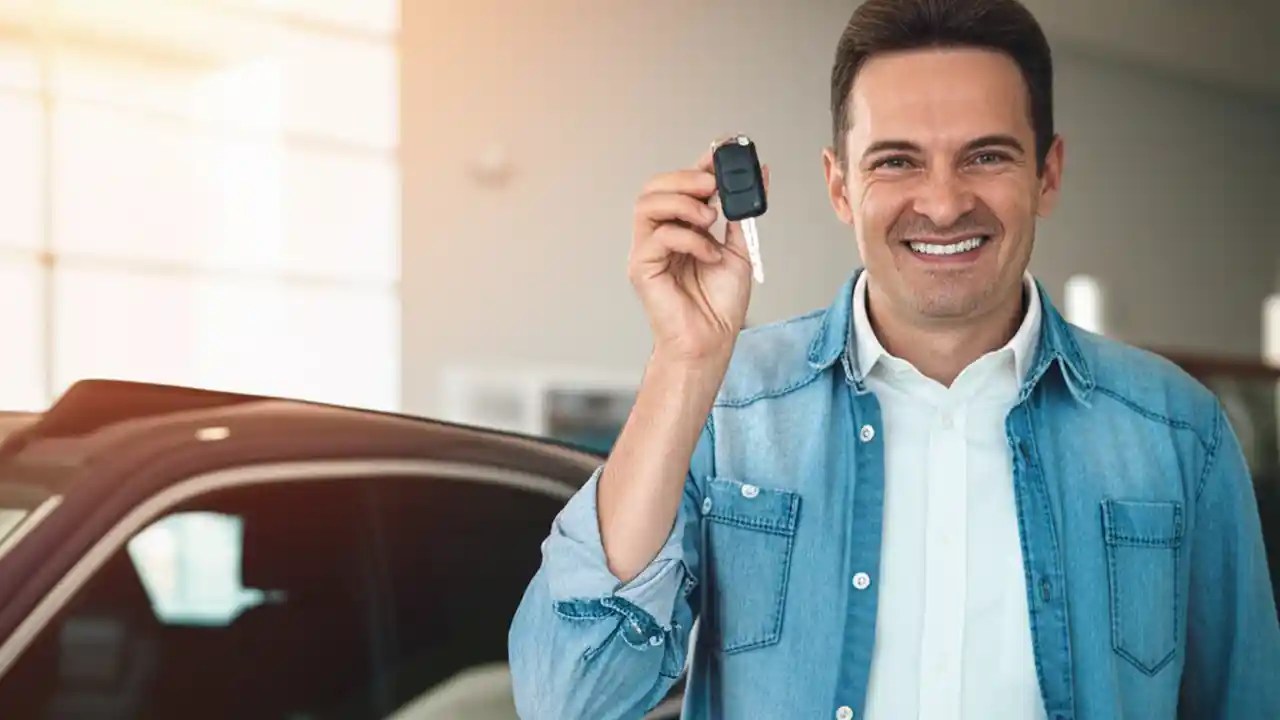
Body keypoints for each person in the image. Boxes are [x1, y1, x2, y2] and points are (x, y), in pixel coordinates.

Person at [507, 0, 1280, 717]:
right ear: (839, 186)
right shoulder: (727, 408)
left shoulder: (1180, 433)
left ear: (1048, 173)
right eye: (896, 162)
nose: (942, 204)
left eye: (984, 157)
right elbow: (568, 697)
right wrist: (684, 362)